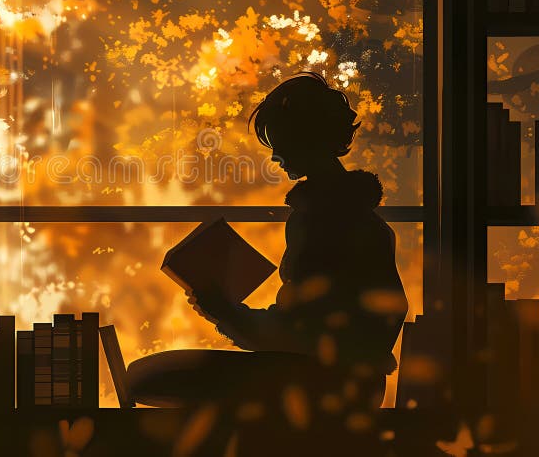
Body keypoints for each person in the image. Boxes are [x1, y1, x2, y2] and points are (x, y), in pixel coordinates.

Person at [126, 72, 409, 410]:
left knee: (144, 377)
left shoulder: (322, 219)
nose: (276, 156)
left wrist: (224, 311)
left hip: (320, 384)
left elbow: (292, 335)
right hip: (348, 383)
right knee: (151, 375)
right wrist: (230, 313)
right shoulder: (357, 218)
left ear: (304, 138)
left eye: (280, 143)